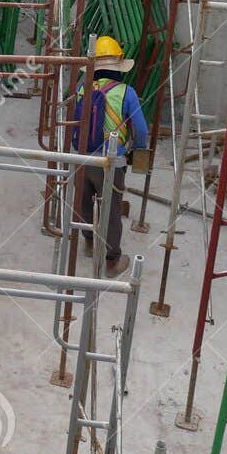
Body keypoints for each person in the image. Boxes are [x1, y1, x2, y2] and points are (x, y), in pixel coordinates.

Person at [70, 35, 149, 278]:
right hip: (111, 162)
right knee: (111, 210)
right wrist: (136, 150)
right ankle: (112, 261)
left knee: (84, 201)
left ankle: (88, 241)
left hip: (82, 158)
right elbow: (141, 130)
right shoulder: (127, 93)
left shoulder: (82, 88)